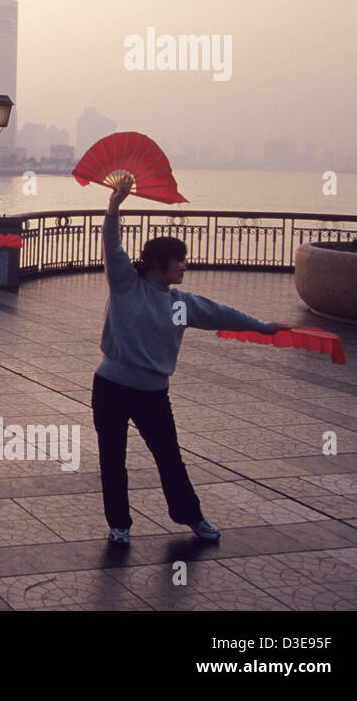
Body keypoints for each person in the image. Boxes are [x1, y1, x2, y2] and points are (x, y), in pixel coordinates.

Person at [96, 175, 290, 545]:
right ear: (157, 263)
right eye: (179, 261)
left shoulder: (181, 305)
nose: (184, 267)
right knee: (112, 460)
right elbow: (111, 246)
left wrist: (265, 327)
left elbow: (222, 314)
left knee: (169, 458)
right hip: (111, 387)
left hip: (153, 393)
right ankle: (119, 525)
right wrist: (114, 207)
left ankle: (191, 517)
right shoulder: (126, 286)